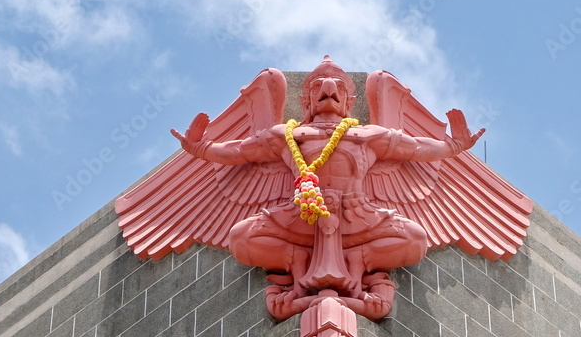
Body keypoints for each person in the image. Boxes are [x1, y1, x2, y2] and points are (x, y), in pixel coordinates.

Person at [172, 57, 483, 316]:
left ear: (350, 100)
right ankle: (299, 262)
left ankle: (358, 261)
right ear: (305, 99)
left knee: (415, 240)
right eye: (318, 87)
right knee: (240, 239)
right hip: (300, 218)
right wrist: (202, 149)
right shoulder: (286, 135)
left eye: (338, 89)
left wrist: (453, 146)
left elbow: (415, 148)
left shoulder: (368, 135)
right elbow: (239, 152)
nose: (329, 91)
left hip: (357, 219)